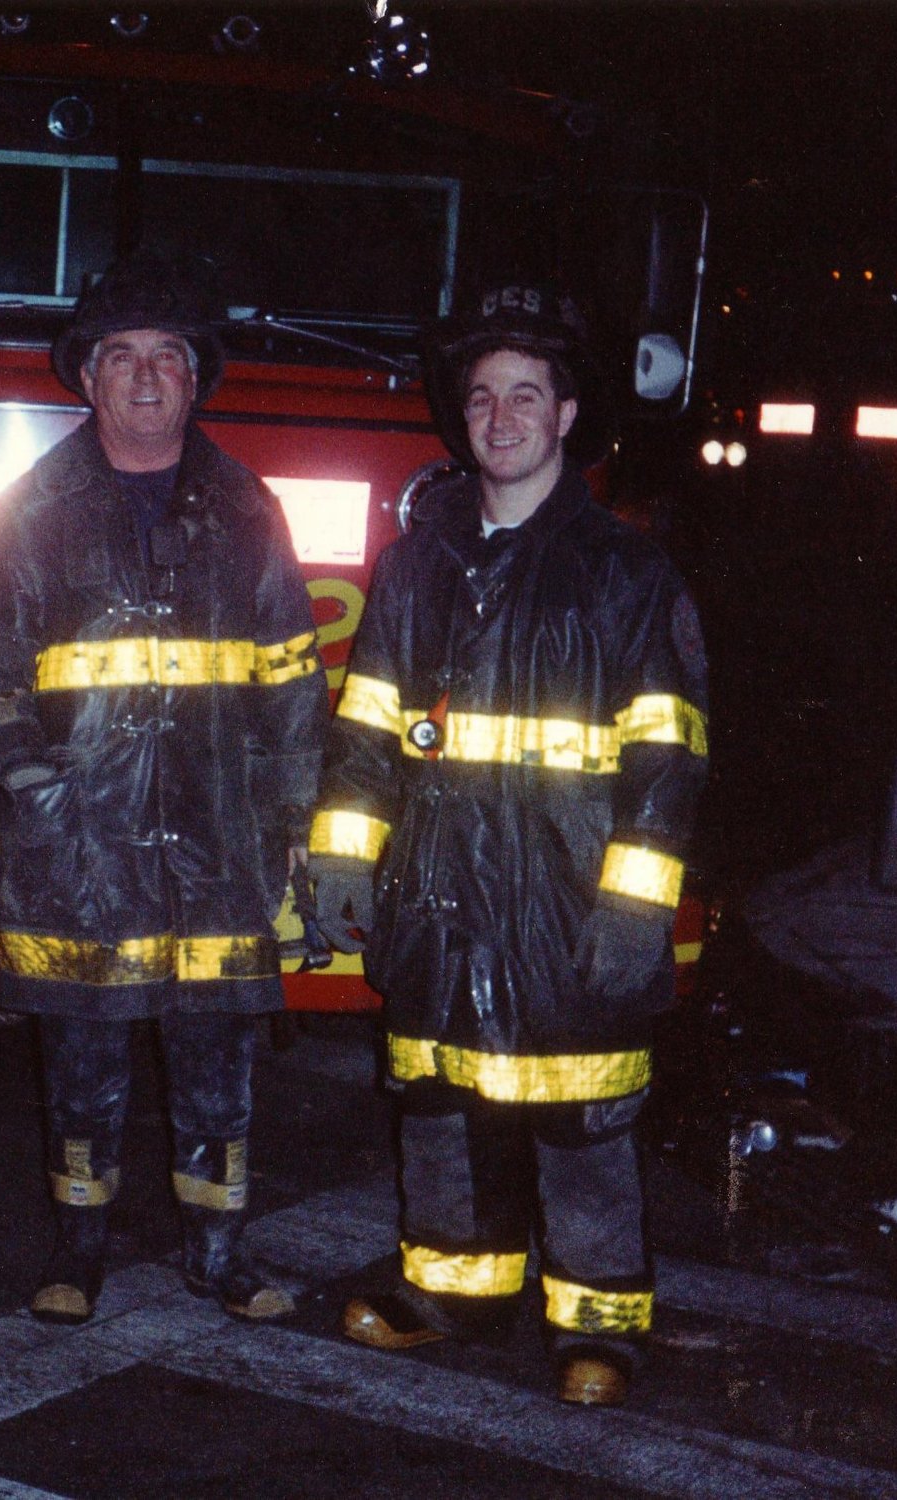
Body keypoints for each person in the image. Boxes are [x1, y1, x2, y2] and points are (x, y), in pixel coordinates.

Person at [307, 283, 709, 1405]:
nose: (501, 417)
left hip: (566, 897)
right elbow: (369, 727)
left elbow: (669, 759)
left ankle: (601, 1321)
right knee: (440, 1098)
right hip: (436, 889)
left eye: (525, 395)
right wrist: (344, 854)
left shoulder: (627, 574)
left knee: (578, 1109)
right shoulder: (419, 563)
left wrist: (637, 909)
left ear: (568, 416)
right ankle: (455, 1289)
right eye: (482, 396)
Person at [0, 250, 327, 1325]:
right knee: (82, 1064)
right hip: (80, 845)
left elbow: (292, 676)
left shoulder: (249, 507)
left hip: (221, 842)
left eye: (168, 358)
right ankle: (78, 1253)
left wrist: (296, 819)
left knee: (221, 1065)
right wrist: (28, 778)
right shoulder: (29, 510)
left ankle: (220, 1253)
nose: (147, 379)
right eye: (123, 359)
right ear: (88, 379)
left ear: (196, 378)